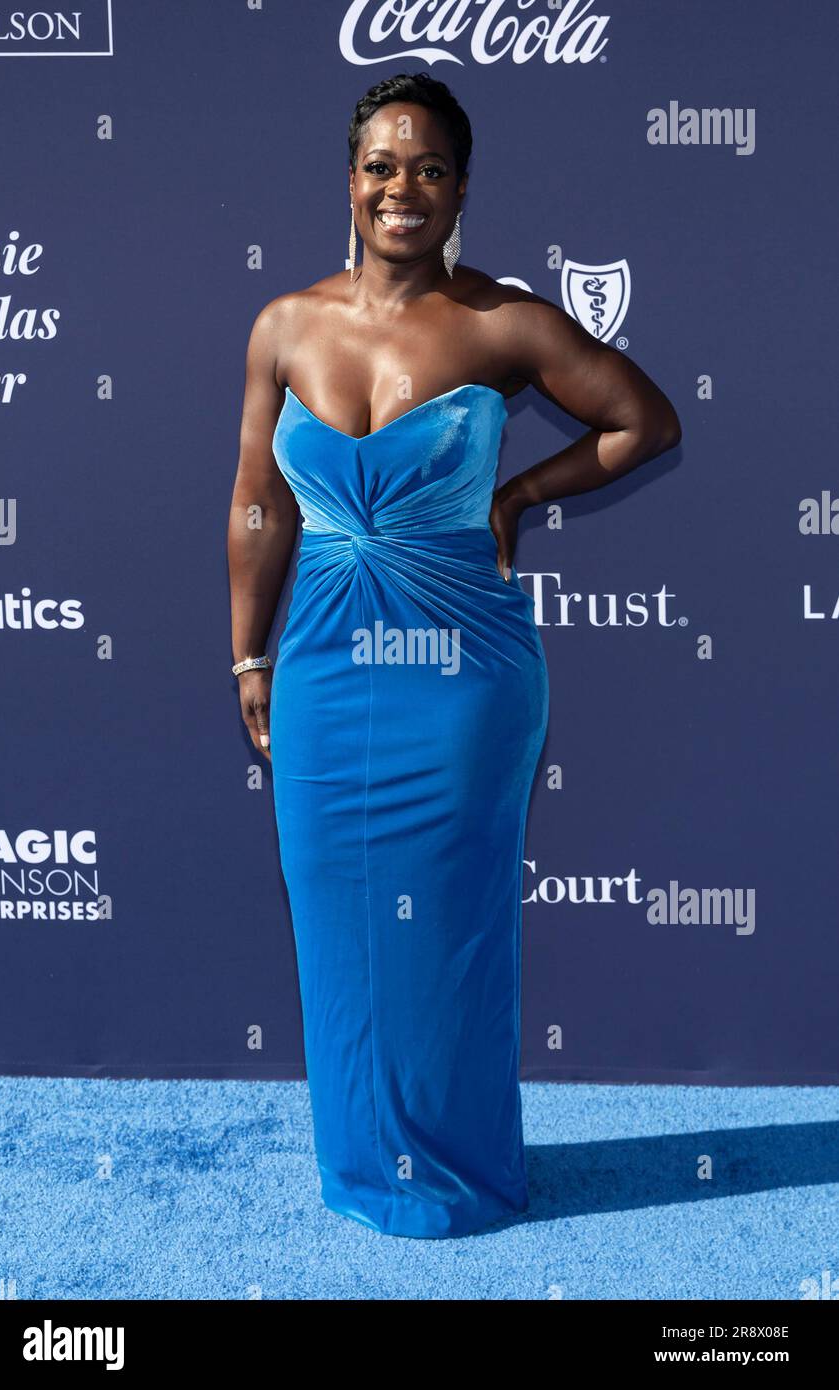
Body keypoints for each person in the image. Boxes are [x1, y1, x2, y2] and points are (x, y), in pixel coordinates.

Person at [227, 72, 681, 1238]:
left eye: (429, 169)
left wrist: (521, 490)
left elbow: (644, 421)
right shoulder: (284, 324)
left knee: (455, 916)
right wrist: (246, 658)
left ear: (461, 190)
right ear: (350, 180)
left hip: (460, 676)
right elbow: (259, 505)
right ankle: (363, 1165)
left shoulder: (503, 323)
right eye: (382, 165)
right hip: (322, 659)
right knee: (333, 914)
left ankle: (464, 1173)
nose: (402, 188)